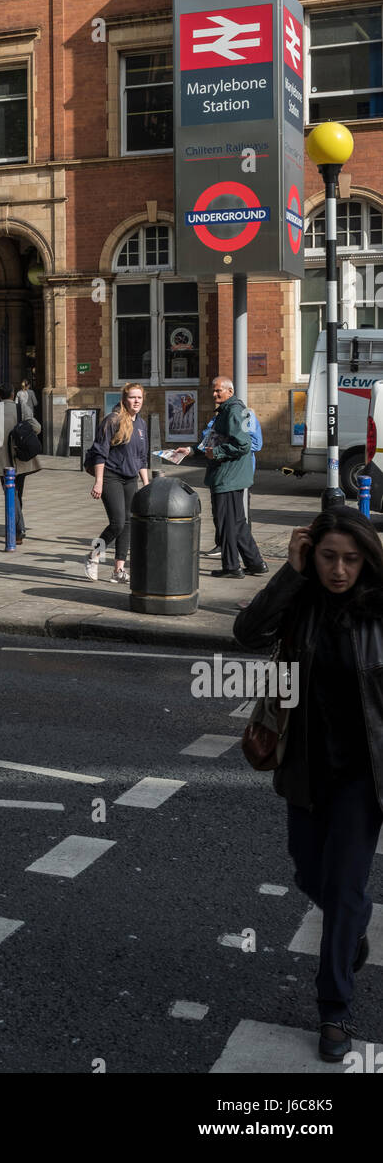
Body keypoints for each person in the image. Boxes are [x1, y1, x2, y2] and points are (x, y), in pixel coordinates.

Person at [234, 509, 383, 1063]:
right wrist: (290, 574)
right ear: (311, 553)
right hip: (304, 763)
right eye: (328, 557)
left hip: (365, 775)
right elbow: (247, 634)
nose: (339, 570)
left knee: (344, 890)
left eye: (350, 558)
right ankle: (354, 927)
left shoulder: (379, 608)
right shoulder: (301, 600)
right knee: (307, 870)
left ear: (366, 557)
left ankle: (334, 1010)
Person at [84, 383, 150, 583]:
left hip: (130, 478)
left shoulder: (141, 425)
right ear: (124, 399)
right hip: (111, 476)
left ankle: (118, 570)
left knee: (128, 524)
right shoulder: (112, 421)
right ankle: (94, 555)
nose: (136, 401)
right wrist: (99, 482)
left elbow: (141, 458)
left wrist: (146, 484)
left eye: (139, 397)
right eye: (132, 397)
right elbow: (100, 453)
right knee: (117, 523)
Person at [203, 376, 267, 579]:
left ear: (229, 391)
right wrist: (190, 450)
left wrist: (218, 453)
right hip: (231, 476)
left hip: (228, 477)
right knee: (238, 522)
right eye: (213, 391)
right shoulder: (228, 410)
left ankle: (231, 567)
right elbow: (214, 440)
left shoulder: (233, 411)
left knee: (226, 524)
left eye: (218, 391)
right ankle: (255, 563)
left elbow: (244, 444)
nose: (214, 394)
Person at [0, 382, 42, 543]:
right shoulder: (22, 409)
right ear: (13, 394)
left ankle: (18, 530)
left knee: (10, 494)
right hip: (21, 458)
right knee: (17, 493)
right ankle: (17, 528)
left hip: (3, 460)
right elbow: (37, 428)